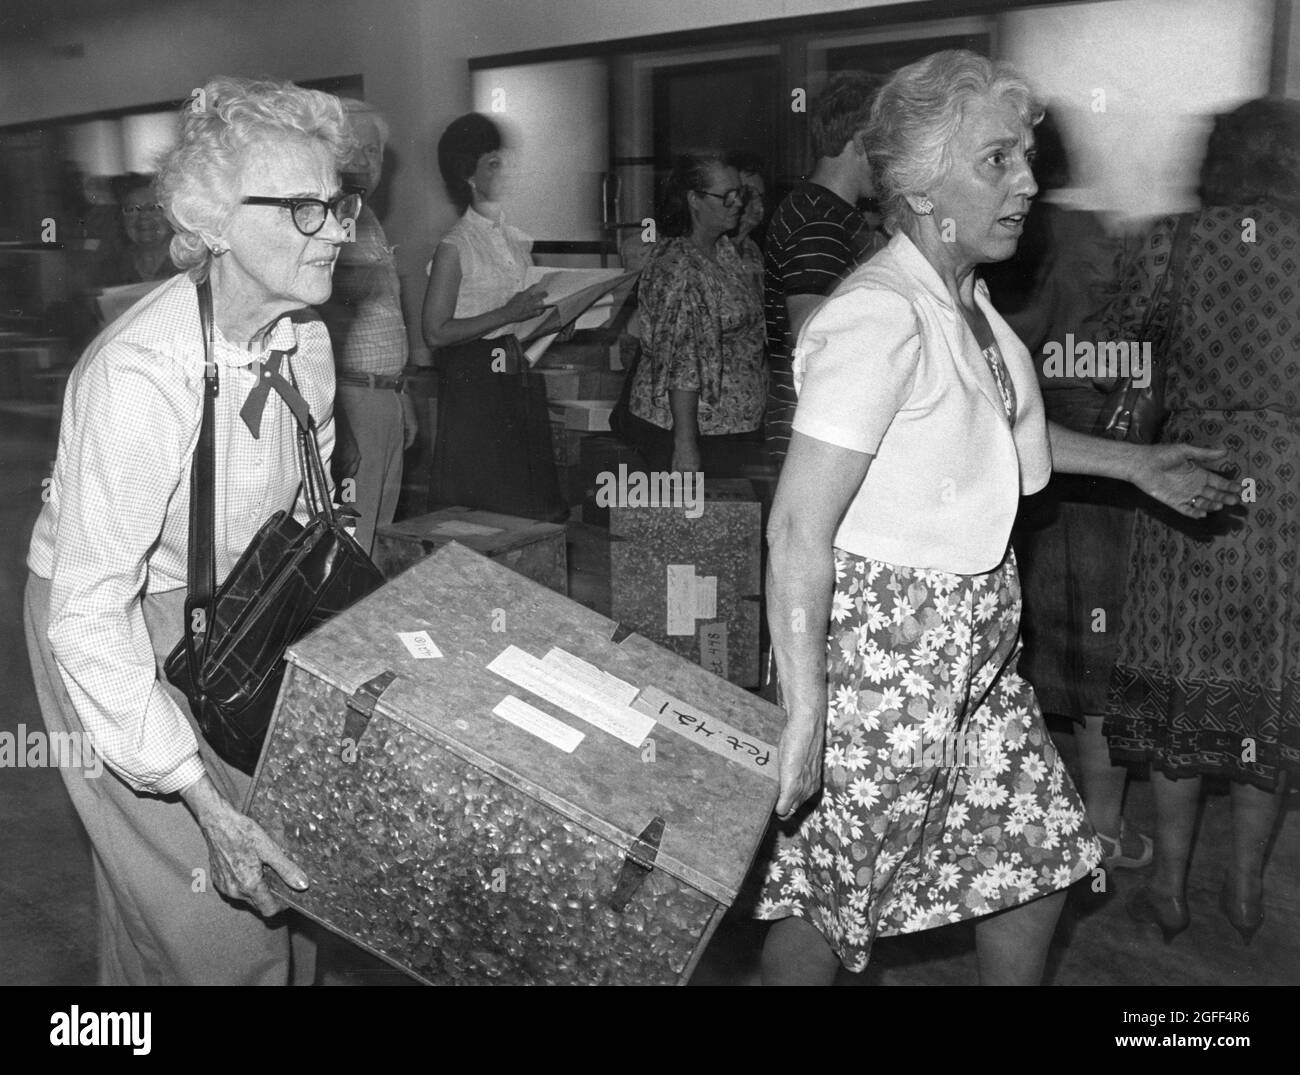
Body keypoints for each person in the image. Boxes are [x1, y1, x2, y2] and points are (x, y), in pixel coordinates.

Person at [756, 49, 1238, 986]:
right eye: (997, 160)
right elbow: (795, 528)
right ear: (925, 181)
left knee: (1038, 857)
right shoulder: (879, 319)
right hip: (880, 671)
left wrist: (1139, 464)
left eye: (1024, 156)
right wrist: (806, 709)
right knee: (836, 898)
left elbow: (1008, 440)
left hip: (977, 662)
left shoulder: (971, 308)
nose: (1026, 181)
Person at [23, 75, 357, 985]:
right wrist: (201, 796)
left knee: (265, 896)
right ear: (211, 224)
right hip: (112, 615)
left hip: (236, 604)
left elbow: (308, 512)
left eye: (335, 204)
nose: (335, 230)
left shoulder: (306, 339)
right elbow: (88, 616)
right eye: (301, 209)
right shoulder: (140, 374)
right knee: (217, 920)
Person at [1104, 97, 1300, 945]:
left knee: (1181, 689)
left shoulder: (1175, 239)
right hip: (1289, 485)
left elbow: (1123, 333)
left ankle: (1172, 887)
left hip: (1190, 481)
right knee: (1272, 686)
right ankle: (1249, 890)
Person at [993, 111, 1153, 871]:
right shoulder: (1102, 231)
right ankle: (1106, 828)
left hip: (1037, 450)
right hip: (1106, 455)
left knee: (1026, 646)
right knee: (1099, 650)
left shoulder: (1021, 235)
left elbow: (1017, 345)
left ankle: (1037, 825)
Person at [421, 112, 564, 520]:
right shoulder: (455, 245)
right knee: (481, 511)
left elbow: (521, 318)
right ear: (469, 175)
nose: (508, 173)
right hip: (473, 385)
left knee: (527, 509)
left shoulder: (518, 241)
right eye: (494, 164)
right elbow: (435, 332)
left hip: (516, 376)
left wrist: (558, 319)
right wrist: (507, 313)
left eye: (507, 162)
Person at [762, 73, 888, 471]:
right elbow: (811, 331)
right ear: (861, 140)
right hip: (814, 432)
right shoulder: (819, 221)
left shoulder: (828, 213)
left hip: (816, 426)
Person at [624, 152, 766, 475]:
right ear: (694, 200)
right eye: (725, 196)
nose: (737, 203)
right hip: (690, 431)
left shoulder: (724, 251)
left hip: (727, 427)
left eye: (739, 193)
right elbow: (682, 364)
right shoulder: (679, 264)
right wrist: (685, 444)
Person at [319, 99, 415, 555]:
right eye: (352, 149)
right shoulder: (327, 222)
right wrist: (346, 422)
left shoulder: (367, 219)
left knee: (379, 533)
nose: (363, 161)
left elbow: (383, 321)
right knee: (354, 540)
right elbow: (322, 330)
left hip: (382, 397)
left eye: (373, 152)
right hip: (350, 401)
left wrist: (400, 394)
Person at [96, 173, 178, 286]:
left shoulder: (189, 261)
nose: (143, 216)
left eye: (153, 207)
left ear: (171, 214)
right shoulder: (112, 268)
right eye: (131, 209)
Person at [726, 150, 768, 301]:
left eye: (760, 196)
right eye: (748, 194)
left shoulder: (752, 249)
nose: (758, 205)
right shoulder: (712, 252)